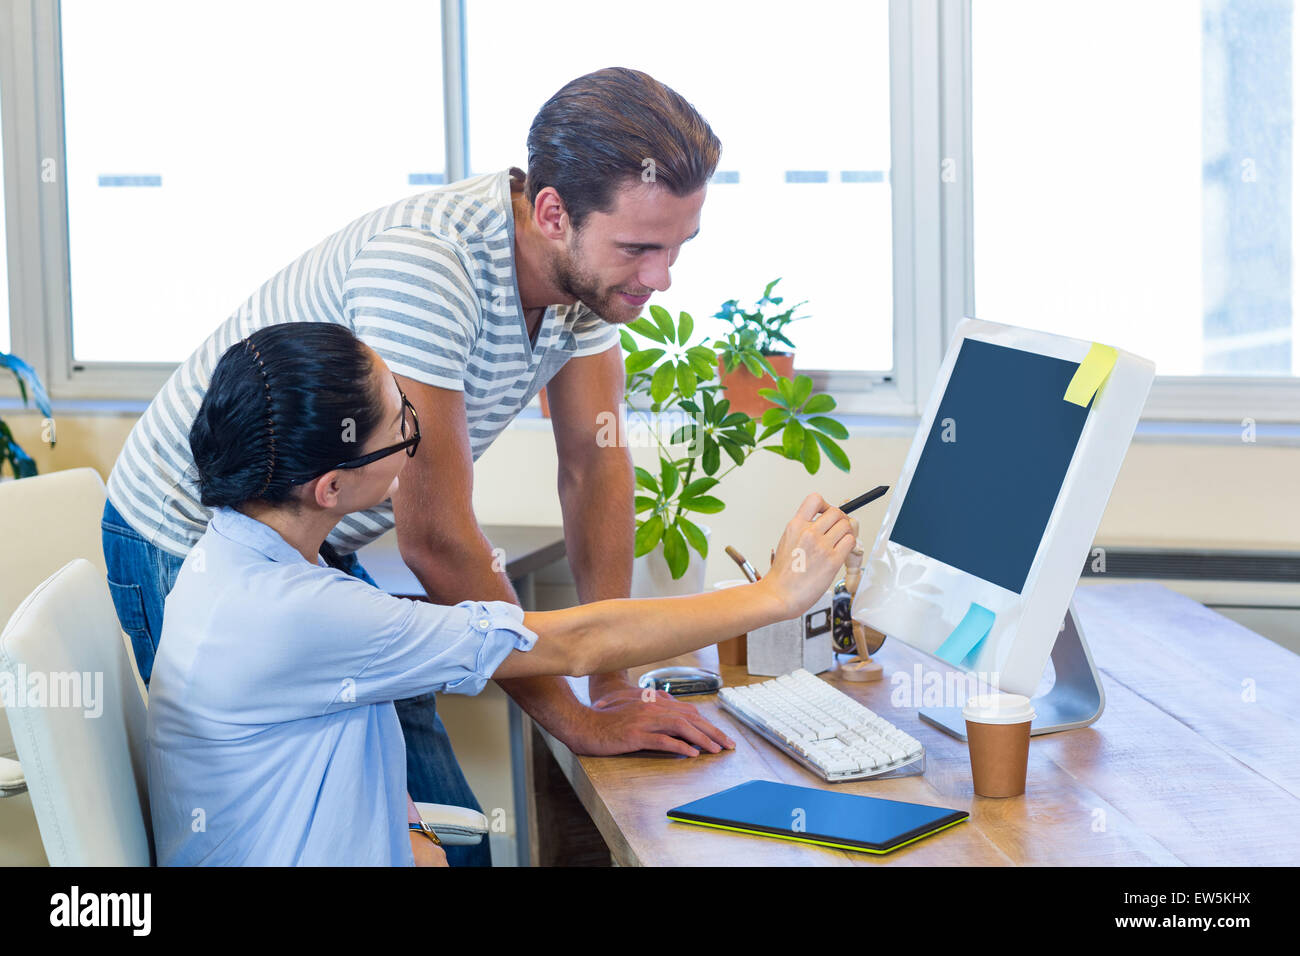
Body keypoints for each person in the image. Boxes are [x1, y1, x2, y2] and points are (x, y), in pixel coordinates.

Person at [103, 67, 729, 866]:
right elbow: (434, 537)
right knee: (347, 829)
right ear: (551, 213)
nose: (660, 278)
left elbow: (595, 465)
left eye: (678, 247)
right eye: (640, 248)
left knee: (429, 826)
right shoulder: (430, 271)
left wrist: (611, 682)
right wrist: (579, 723)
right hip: (192, 536)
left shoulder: (587, 277)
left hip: (309, 548)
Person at [147, 323, 856, 866]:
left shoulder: (227, 562)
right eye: (403, 425)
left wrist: (409, 825)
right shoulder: (301, 615)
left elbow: (311, 738)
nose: (413, 441)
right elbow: (571, 644)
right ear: (331, 487)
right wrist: (775, 595)